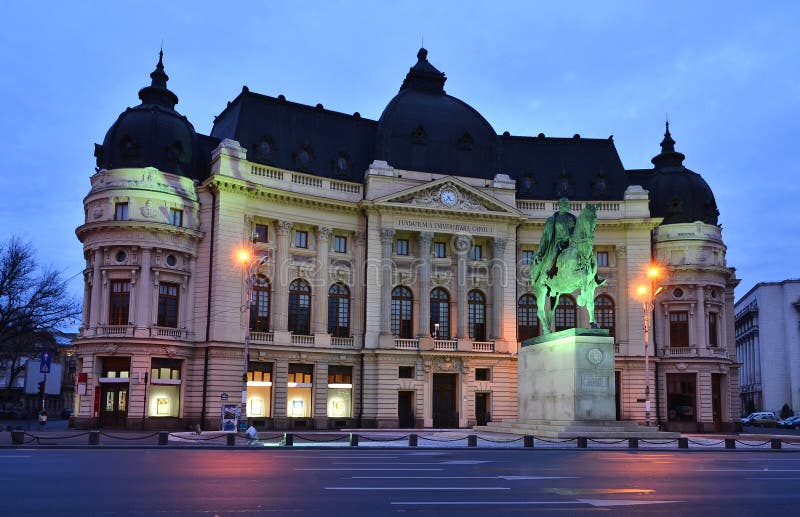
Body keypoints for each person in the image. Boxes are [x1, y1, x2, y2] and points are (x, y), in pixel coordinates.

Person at [530, 197, 576, 286]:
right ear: (560, 205)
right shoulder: (553, 219)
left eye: (567, 203)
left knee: (586, 252)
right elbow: (545, 238)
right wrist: (540, 252)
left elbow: (579, 232)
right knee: (555, 252)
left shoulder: (573, 218)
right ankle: (545, 274)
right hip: (559, 244)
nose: (567, 205)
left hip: (572, 244)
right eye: (564, 203)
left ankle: (592, 275)